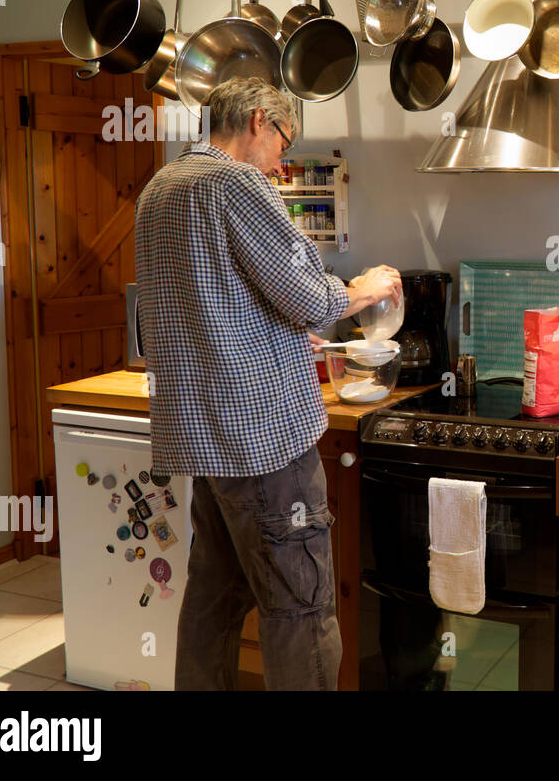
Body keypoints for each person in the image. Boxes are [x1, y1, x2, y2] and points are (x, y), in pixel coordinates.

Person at [134, 77, 401, 690]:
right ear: (258, 120)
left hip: (206, 443)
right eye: (285, 139)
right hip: (262, 443)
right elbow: (308, 296)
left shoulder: (161, 188)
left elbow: (203, 305)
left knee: (213, 601)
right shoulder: (237, 182)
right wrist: (367, 287)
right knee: (301, 606)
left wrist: (278, 336)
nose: (283, 159)